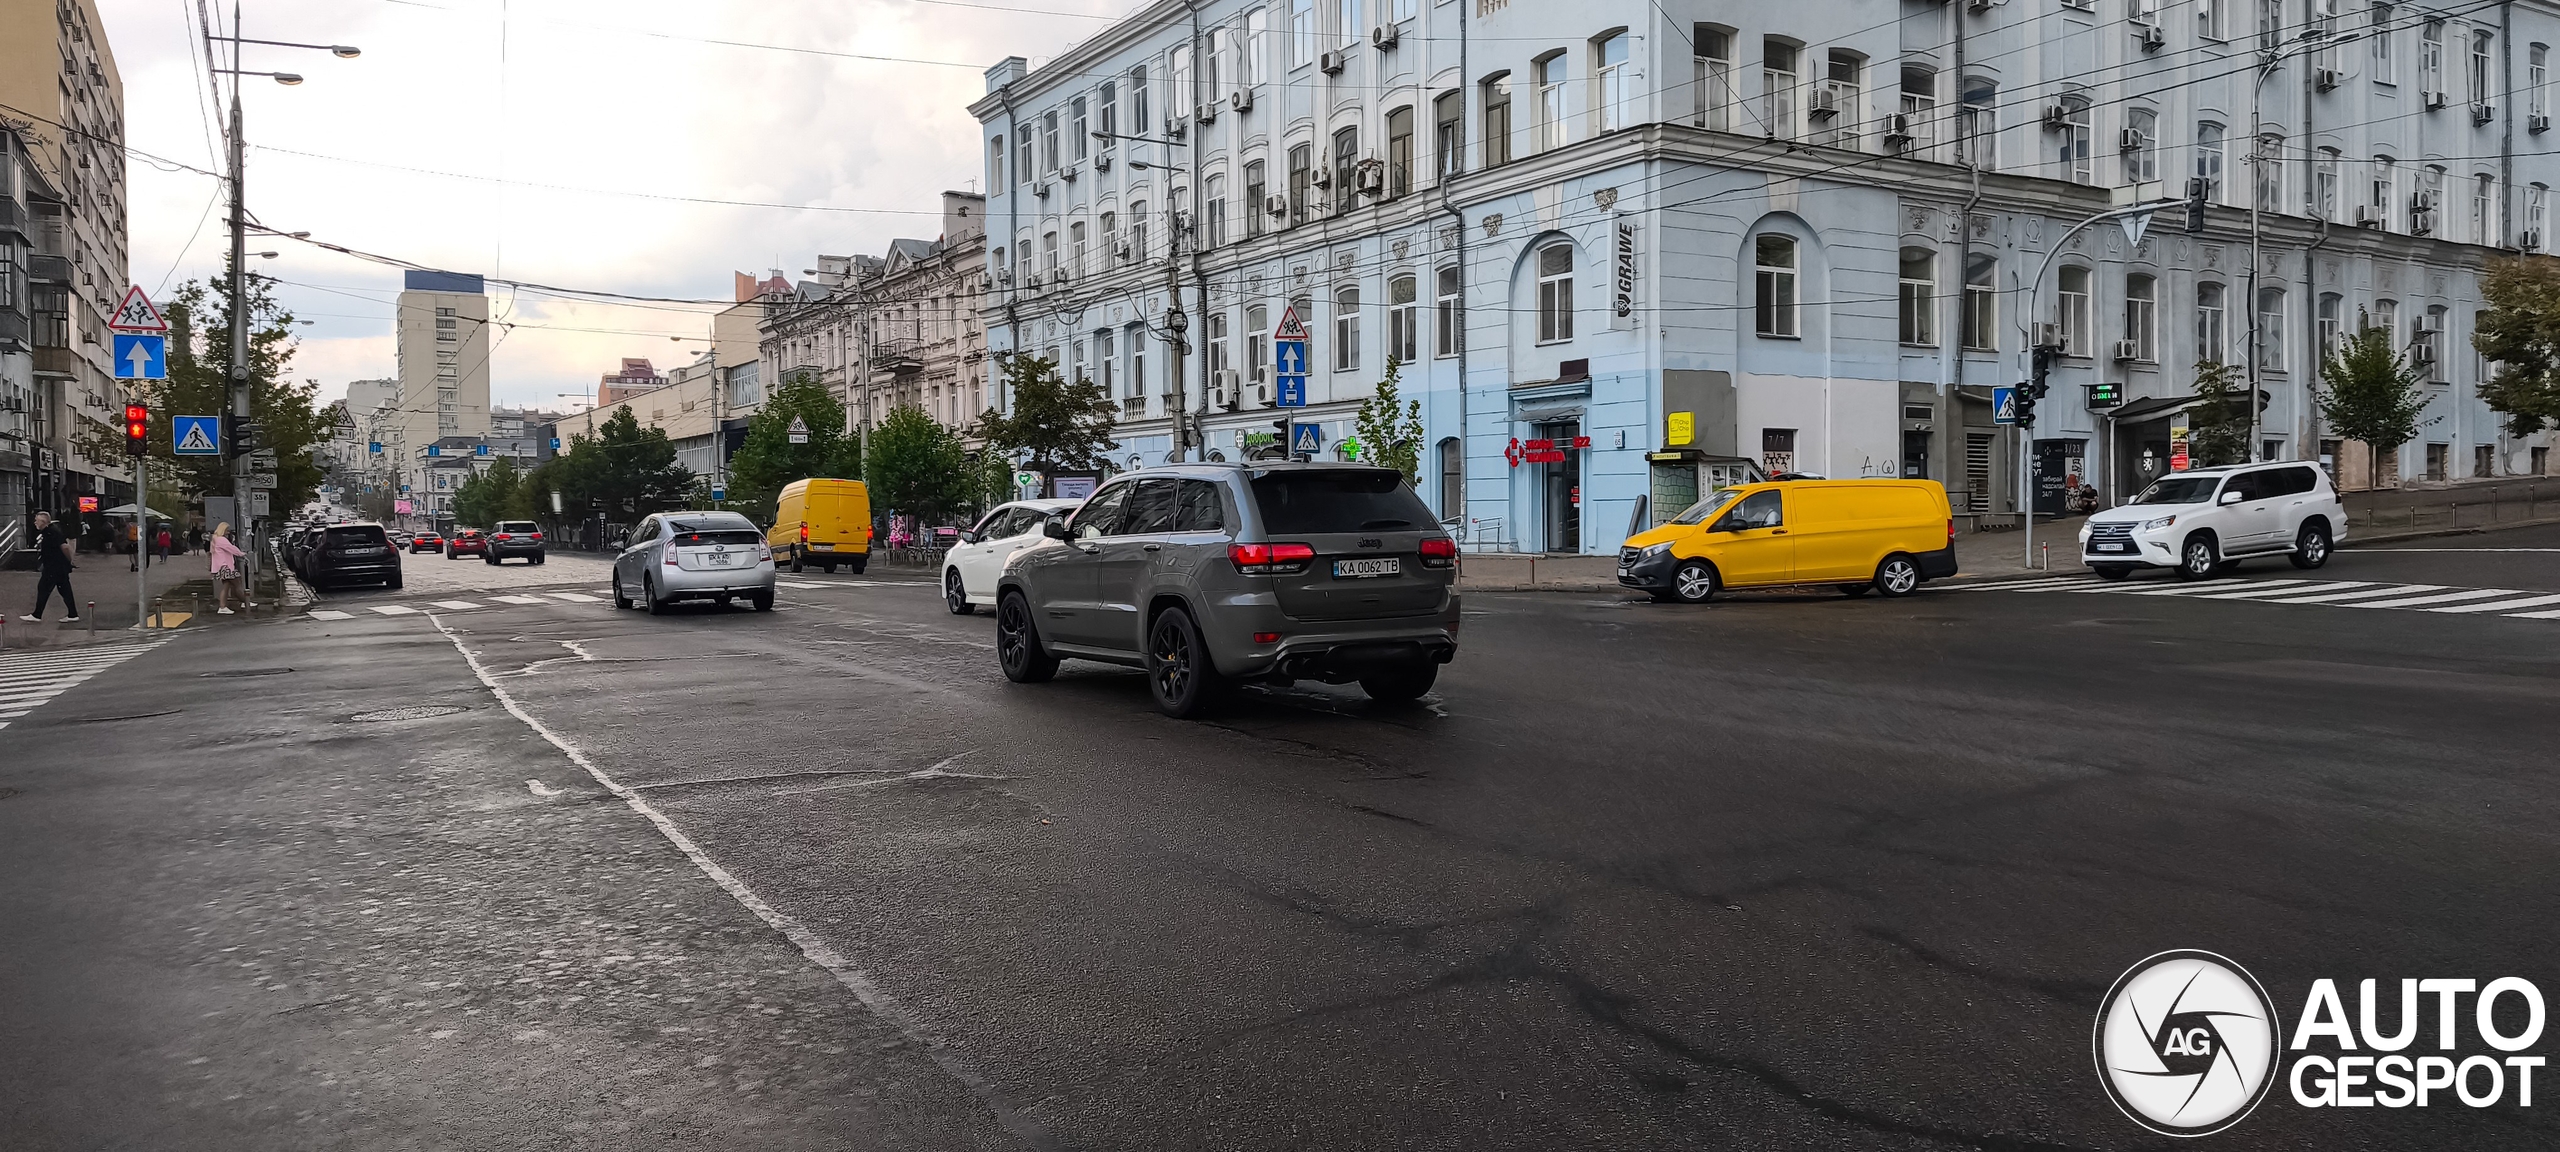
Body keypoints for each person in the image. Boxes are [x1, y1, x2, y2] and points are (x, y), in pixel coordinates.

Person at [21, 511, 79, 623]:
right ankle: (73, 614)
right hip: (58, 566)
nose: (35, 523)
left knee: (43, 588)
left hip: (53, 566)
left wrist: (70, 560)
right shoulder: (51, 531)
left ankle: (37, 615)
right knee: (65, 589)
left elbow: (65, 547)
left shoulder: (51, 532)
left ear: (43, 522)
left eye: (36, 520)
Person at [209, 521, 248, 614]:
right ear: (223, 530)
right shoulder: (221, 540)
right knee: (237, 583)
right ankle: (245, 602)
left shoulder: (215, 539)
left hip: (221, 567)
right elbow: (231, 548)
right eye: (227, 530)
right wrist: (241, 554)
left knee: (227, 586)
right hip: (225, 566)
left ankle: (223, 606)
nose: (228, 532)